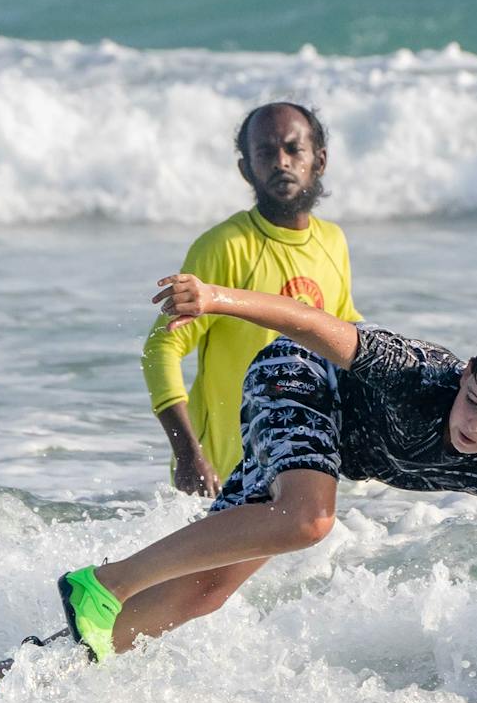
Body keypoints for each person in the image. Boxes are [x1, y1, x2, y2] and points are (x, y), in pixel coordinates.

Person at [0, 275, 477, 703]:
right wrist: (214, 299)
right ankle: (102, 582)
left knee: (204, 590)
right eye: (470, 400)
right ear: (464, 374)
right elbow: (313, 325)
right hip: (295, 378)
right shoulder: (410, 373)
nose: (472, 426)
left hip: (321, 453)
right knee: (311, 517)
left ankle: (17, 680)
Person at [142, 103, 360, 496]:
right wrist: (189, 454)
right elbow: (162, 347)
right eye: (265, 152)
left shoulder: (333, 243)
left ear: (320, 160)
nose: (281, 162)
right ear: (246, 169)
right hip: (221, 481)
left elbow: (347, 336)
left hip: (298, 471)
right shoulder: (225, 246)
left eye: (294, 149)